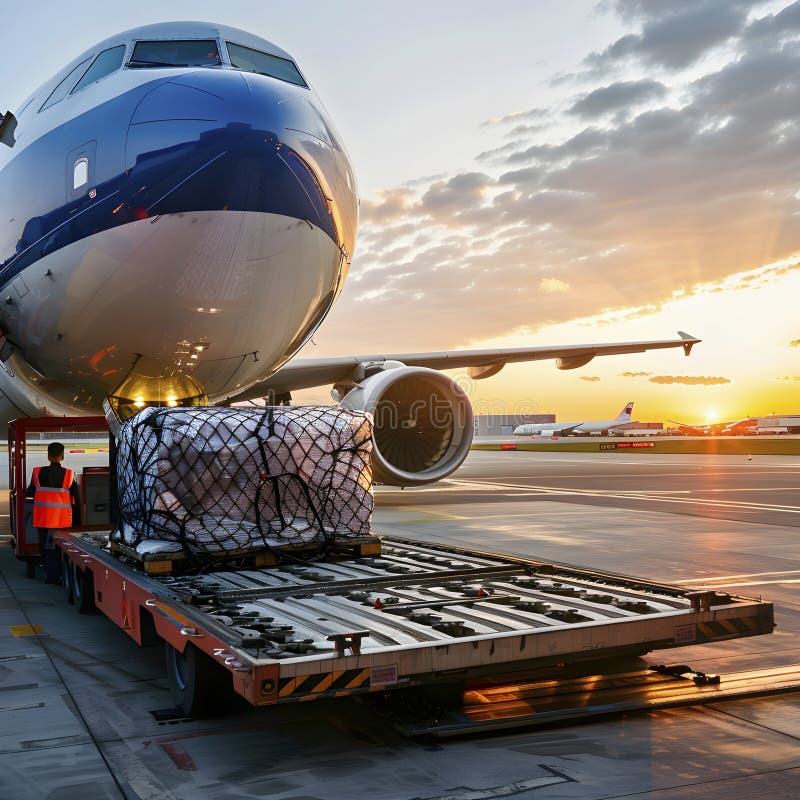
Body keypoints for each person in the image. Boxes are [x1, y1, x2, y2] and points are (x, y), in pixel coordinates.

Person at [27, 442, 80, 584]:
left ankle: (49, 573)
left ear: (48, 456)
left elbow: (30, 492)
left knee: (45, 547)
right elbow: (75, 498)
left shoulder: (37, 472)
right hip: (62, 521)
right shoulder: (69, 474)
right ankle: (60, 573)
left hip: (43, 519)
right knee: (61, 549)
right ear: (62, 456)